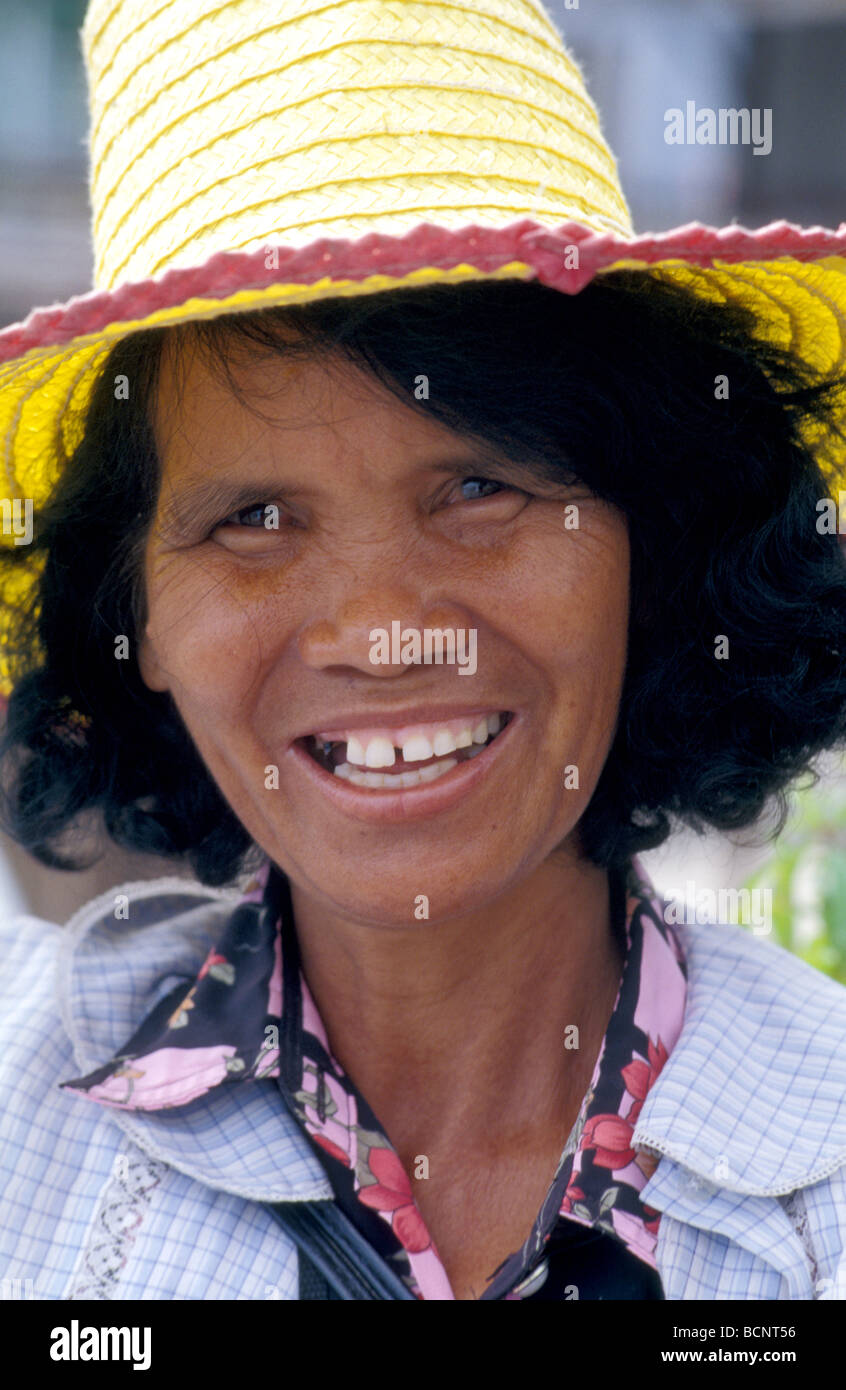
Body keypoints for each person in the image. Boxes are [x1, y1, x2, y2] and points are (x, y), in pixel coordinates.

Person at [0, 0, 844, 1302]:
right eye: (255, 518)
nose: (377, 632)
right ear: (139, 615)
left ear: (649, 541)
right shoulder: (22, 1111)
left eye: (478, 488)